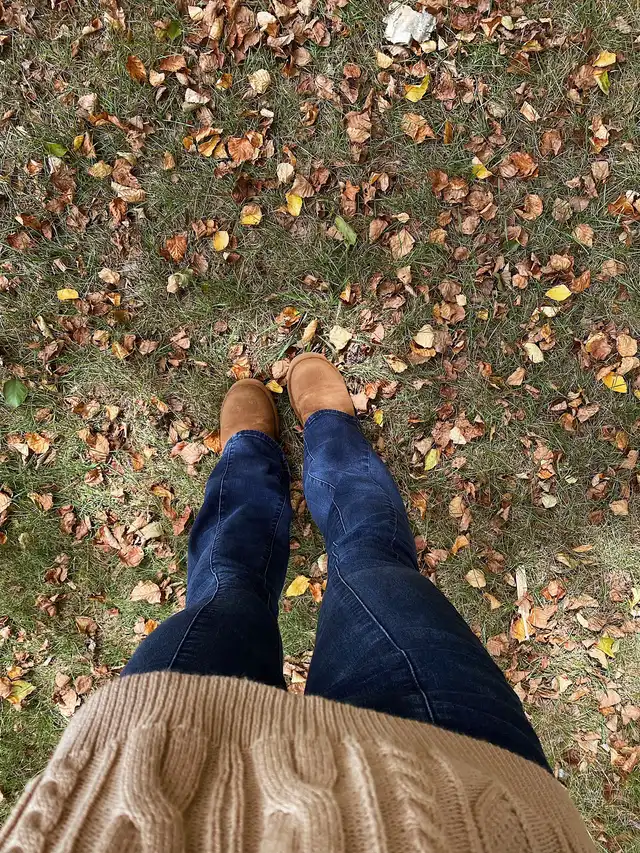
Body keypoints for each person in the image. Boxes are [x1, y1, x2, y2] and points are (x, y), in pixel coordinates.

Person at [0, 354, 594, 853]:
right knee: (373, 563)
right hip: (455, 798)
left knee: (226, 589)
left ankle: (249, 454)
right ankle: (328, 430)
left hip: (143, 789)